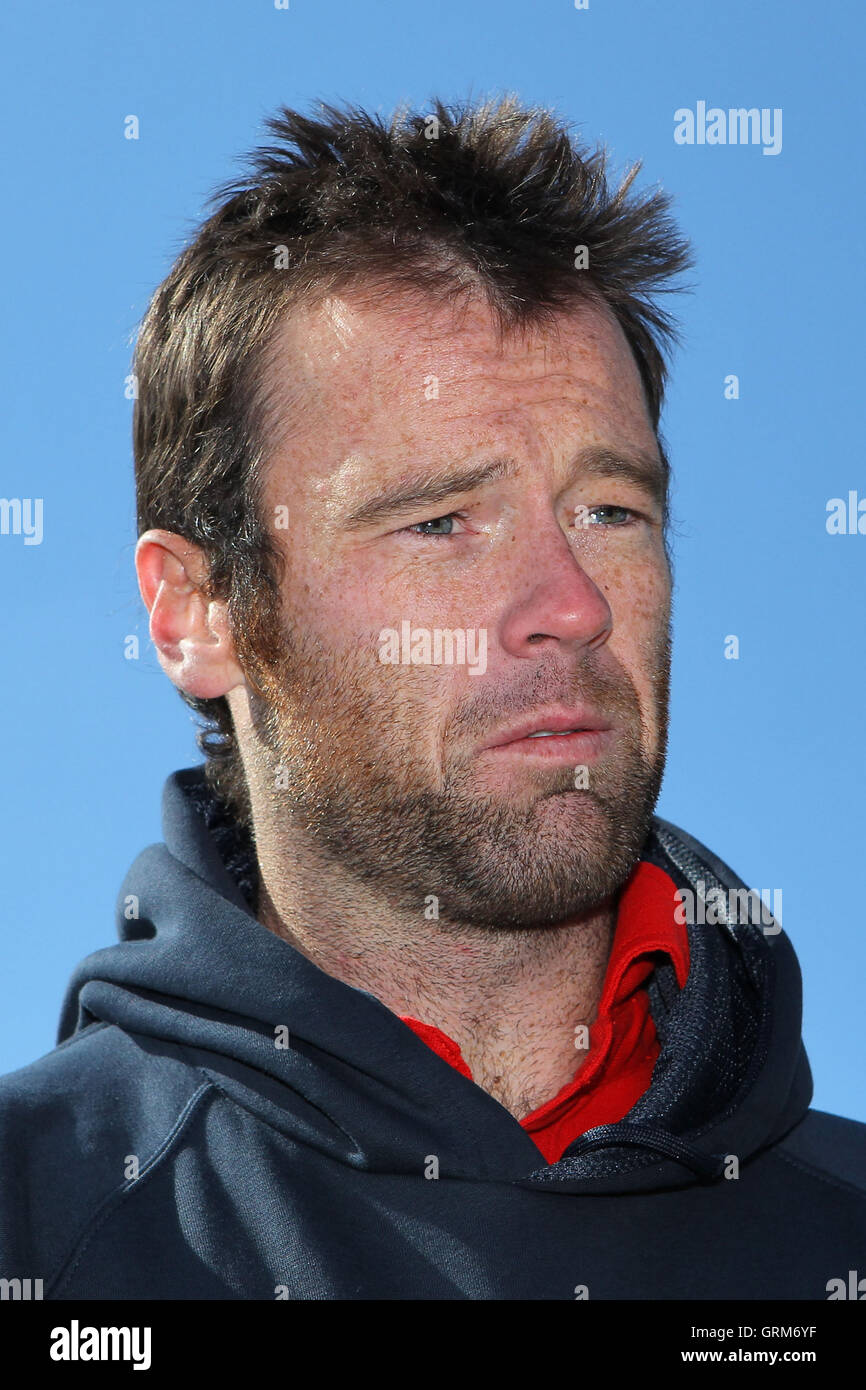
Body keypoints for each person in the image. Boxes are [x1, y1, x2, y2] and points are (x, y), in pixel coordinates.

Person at [1, 95, 863, 1301]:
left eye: (608, 510)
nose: (569, 603)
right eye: (440, 521)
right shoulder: (39, 1229)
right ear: (197, 613)